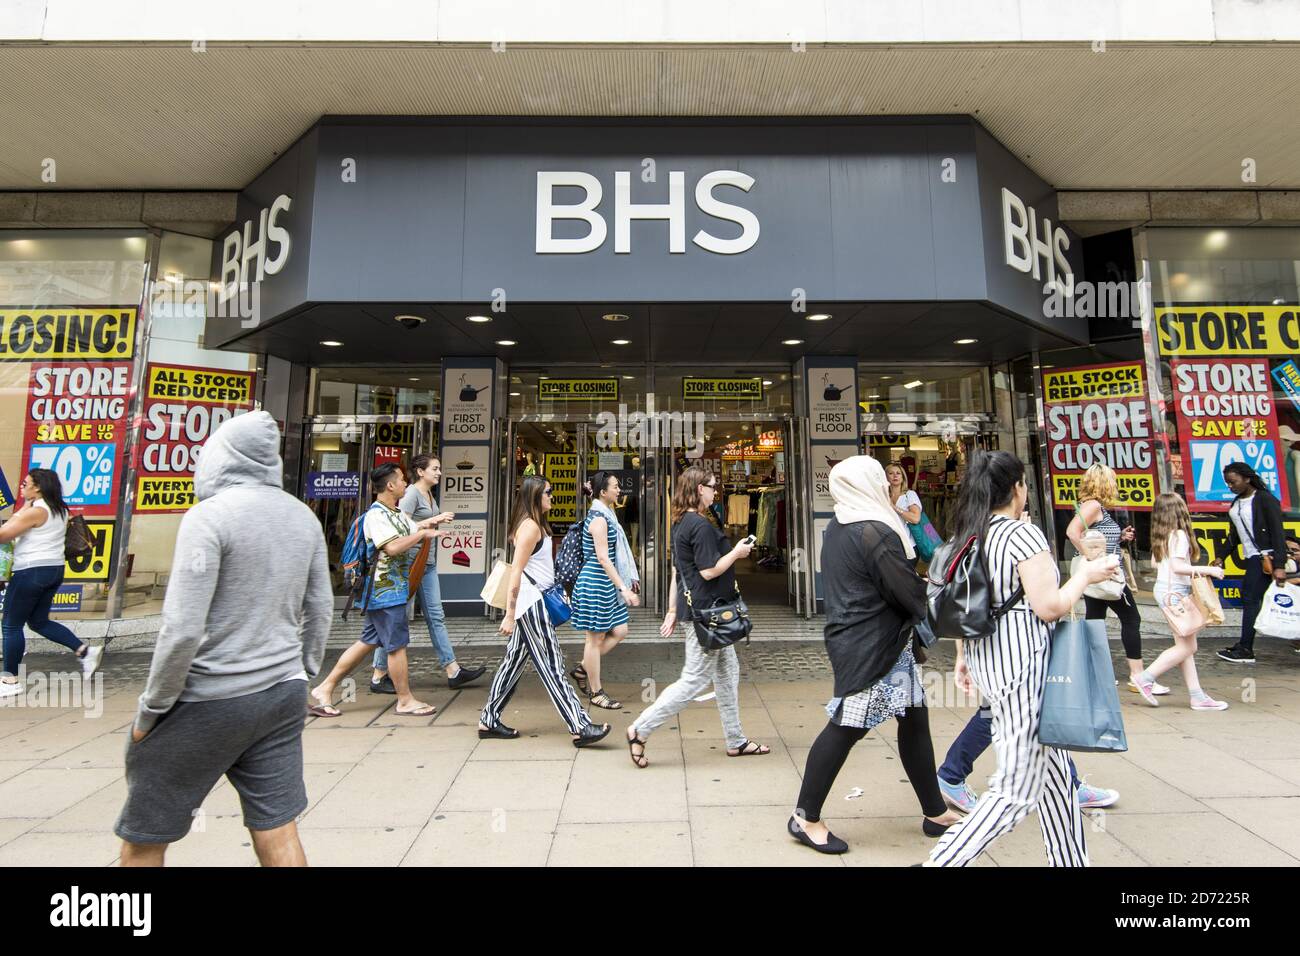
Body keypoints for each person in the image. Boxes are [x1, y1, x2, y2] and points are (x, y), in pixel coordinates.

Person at [115, 412, 333, 866]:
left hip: (207, 696)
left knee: (144, 838)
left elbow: (182, 628)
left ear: (219, 457)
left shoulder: (208, 517)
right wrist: (304, 672)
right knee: (278, 827)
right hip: (282, 692)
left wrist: (152, 709)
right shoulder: (304, 518)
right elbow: (320, 608)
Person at [927, 451, 1118, 867]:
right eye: (1024, 485)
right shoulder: (1021, 535)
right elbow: (1049, 606)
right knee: (1014, 793)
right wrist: (1084, 575)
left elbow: (967, 604)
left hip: (989, 662)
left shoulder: (970, 534)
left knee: (1057, 784)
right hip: (1026, 668)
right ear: (1016, 488)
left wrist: (962, 656)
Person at [787, 457, 960, 854]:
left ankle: (934, 811)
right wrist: (938, 596)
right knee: (846, 725)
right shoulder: (876, 531)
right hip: (873, 646)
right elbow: (904, 590)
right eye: (880, 480)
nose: (885, 486)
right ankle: (805, 816)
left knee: (914, 718)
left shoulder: (840, 525)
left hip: (865, 638)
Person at [626, 466, 770, 769]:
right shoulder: (700, 526)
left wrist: (672, 610)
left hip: (702, 612)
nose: (715, 491)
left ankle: (736, 740)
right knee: (693, 680)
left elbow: (679, 572)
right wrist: (737, 553)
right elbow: (707, 571)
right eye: (712, 486)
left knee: (728, 671)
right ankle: (640, 729)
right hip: (709, 614)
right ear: (698, 489)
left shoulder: (680, 523)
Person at [478, 475, 609, 746]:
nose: (552, 496)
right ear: (535, 495)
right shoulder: (530, 528)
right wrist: (510, 614)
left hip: (532, 602)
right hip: (530, 604)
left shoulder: (534, 525)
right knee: (552, 665)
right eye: (548, 492)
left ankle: (489, 719)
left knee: (513, 662)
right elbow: (516, 573)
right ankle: (580, 725)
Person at [309, 463, 445, 718]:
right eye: (402, 480)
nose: (406, 484)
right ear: (390, 485)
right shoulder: (377, 516)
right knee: (396, 646)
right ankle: (404, 700)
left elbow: (412, 528)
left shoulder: (393, 513)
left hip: (391, 589)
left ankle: (324, 688)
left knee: (368, 641)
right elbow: (392, 547)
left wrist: (430, 525)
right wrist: (424, 534)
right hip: (385, 590)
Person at [369, 454, 484, 694]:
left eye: (439, 468)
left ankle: (452, 670)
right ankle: (379, 673)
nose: (439, 472)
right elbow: (400, 526)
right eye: (435, 468)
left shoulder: (429, 494)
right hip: (408, 565)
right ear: (420, 472)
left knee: (435, 615)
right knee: (395, 616)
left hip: (426, 564)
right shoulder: (411, 494)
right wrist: (436, 519)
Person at [0, 468, 102, 696]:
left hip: (30, 571)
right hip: (53, 570)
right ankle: (85, 652)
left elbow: (4, 534)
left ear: (38, 487)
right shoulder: (58, 509)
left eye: (26, 484)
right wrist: (25, 506)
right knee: (38, 622)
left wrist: (23, 510)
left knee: (11, 625)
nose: (22, 487)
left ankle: (9, 681)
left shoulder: (37, 510)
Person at [1131, 493, 1230, 708]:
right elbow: (1178, 567)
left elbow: (1156, 564)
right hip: (1175, 592)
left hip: (1165, 591)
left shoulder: (1162, 536)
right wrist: (1209, 569)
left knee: (1184, 646)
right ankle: (1145, 678)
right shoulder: (1179, 535)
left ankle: (1197, 695)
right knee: (1187, 647)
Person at [1067, 463, 1149, 691]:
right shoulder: (1093, 505)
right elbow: (1072, 532)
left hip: (1099, 572)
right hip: (1104, 573)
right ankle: (1138, 676)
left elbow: (1093, 536)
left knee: (1095, 621)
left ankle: (1096, 673)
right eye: (1113, 480)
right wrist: (1092, 558)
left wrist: (1119, 537)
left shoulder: (1094, 507)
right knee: (1131, 619)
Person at [937, 710, 1120, 812]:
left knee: (1037, 708)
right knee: (1000, 710)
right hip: (1016, 652)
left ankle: (952, 774)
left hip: (1004, 653)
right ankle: (952, 774)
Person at [568, 471, 638, 709]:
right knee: (595, 638)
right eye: (615, 487)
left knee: (620, 630)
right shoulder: (599, 519)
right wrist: (624, 588)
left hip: (605, 583)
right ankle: (596, 692)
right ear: (603, 492)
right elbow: (602, 558)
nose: (619, 490)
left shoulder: (608, 515)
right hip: (595, 583)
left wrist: (626, 580)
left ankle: (582, 669)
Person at [1216, 462, 1289, 664]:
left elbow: (1277, 533)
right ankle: (1244, 645)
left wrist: (1280, 565)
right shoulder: (1237, 503)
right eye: (1227, 483)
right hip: (1252, 558)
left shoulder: (1265, 500)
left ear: (1247, 478)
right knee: (1251, 600)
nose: (1230, 486)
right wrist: (1222, 557)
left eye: (1233, 482)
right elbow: (1234, 536)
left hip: (1266, 557)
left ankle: (1246, 648)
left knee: (1250, 600)